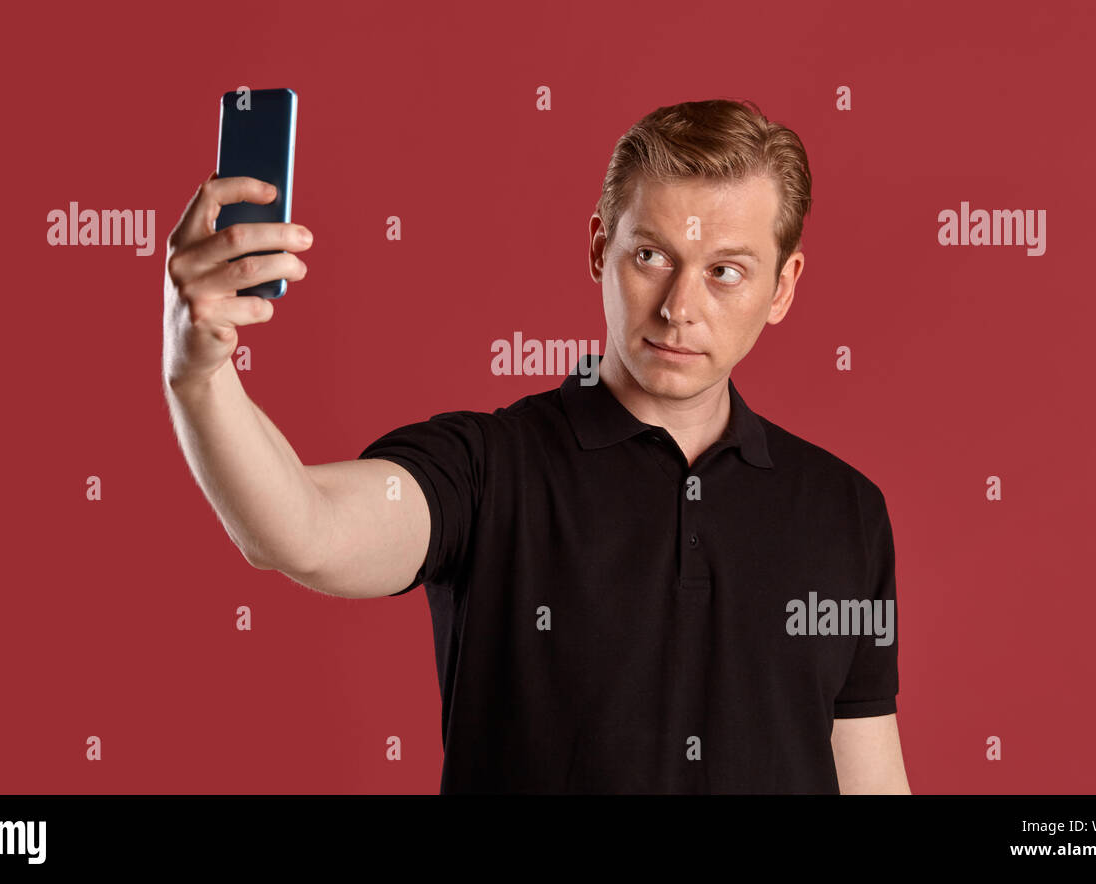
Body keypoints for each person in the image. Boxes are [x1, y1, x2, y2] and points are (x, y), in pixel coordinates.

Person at [163, 98, 910, 794]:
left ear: (782, 288)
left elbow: (870, 778)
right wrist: (198, 376)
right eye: (650, 256)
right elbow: (303, 528)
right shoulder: (487, 468)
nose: (681, 308)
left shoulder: (845, 510)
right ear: (598, 247)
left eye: (725, 273)